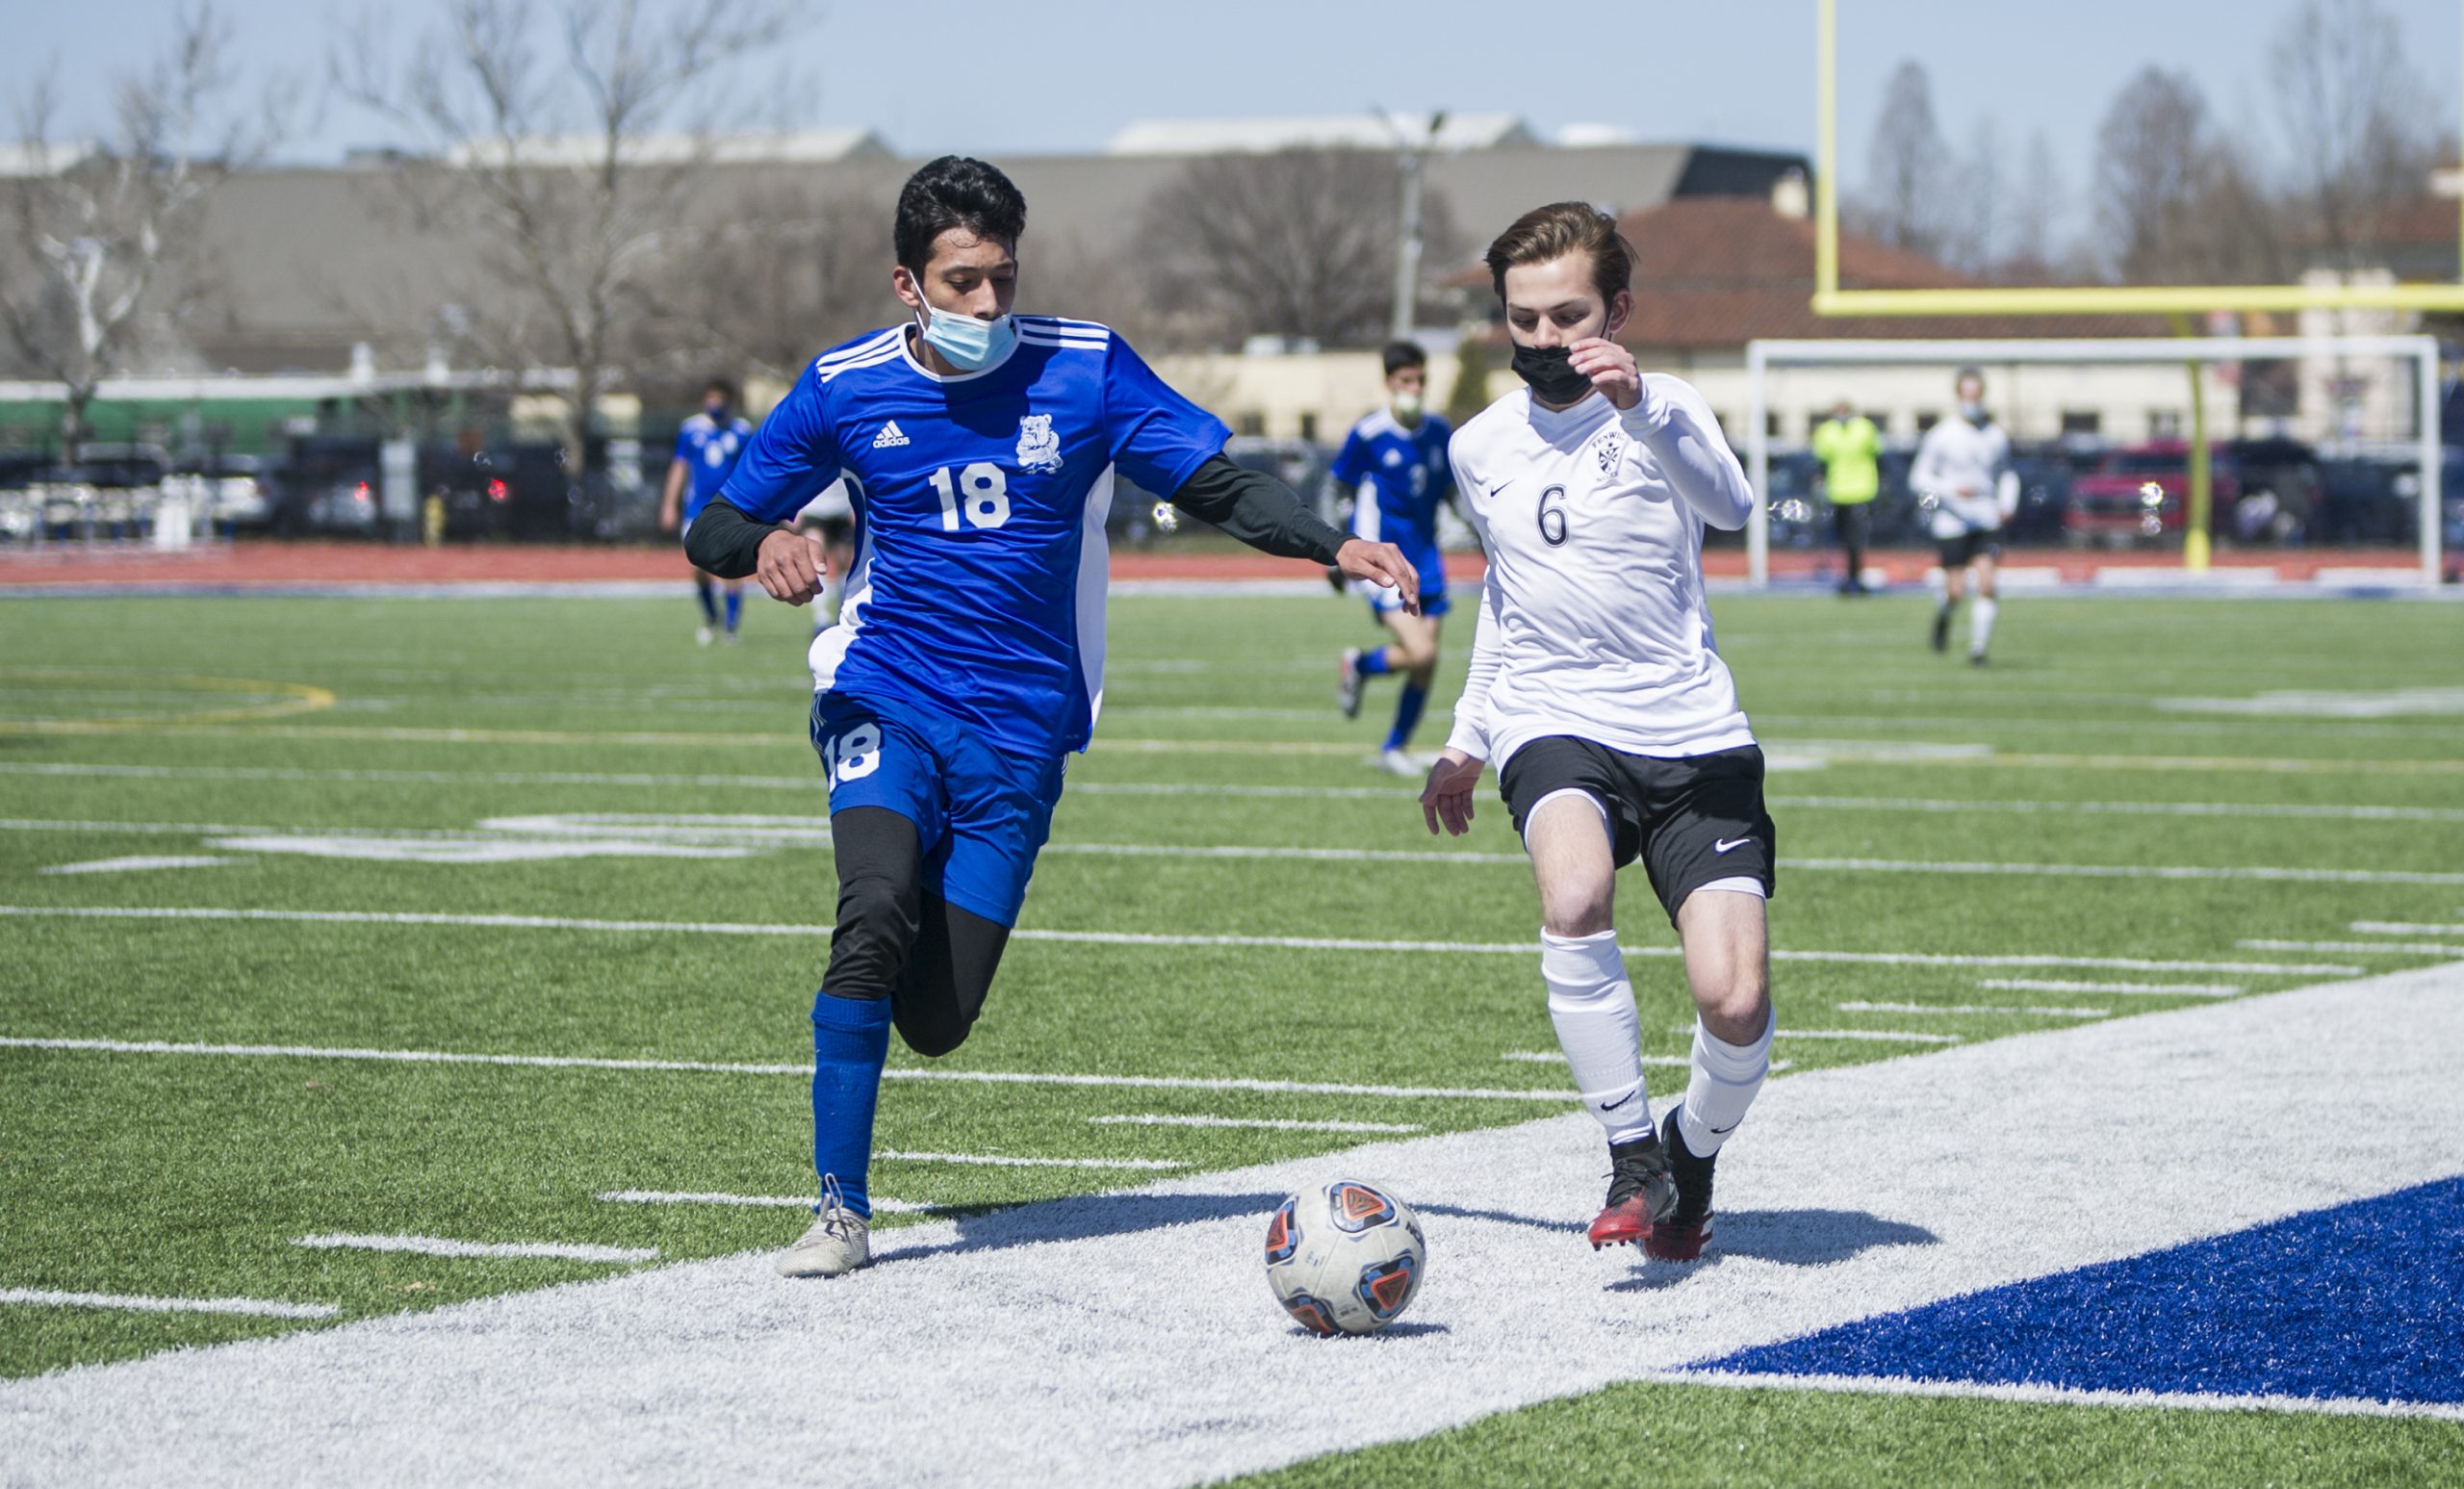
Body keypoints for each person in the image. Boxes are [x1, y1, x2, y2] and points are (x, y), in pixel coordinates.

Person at [682, 156, 1419, 1279]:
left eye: (1002, 278)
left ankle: (901, 947)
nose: (987, 305)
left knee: (933, 1018)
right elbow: (715, 525)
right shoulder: (844, 384)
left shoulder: (1086, 368)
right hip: (885, 686)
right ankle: (840, 1207)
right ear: (908, 285)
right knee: (871, 909)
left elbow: (1217, 484)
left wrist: (1335, 543)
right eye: (963, 281)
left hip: (1021, 735)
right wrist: (771, 541)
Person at [1419, 201, 1776, 1264]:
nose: (1541, 340)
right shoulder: (1476, 445)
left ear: (1615, 309)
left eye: (1565, 316)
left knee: (1736, 997)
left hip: (1692, 730)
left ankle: (1689, 1157)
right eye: (1520, 320)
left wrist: (1644, 414)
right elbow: (1503, 597)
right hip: (1554, 719)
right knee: (1572, 893)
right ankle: (1628, 1151)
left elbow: (1733, 505)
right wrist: (1466, 734)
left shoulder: (1669, 406)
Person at [1330, 342, 1456, 775]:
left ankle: (1394, 746)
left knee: (1427, 662)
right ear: (1389, 383)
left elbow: (1454, 495)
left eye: (1420, 379)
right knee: (1419, 652)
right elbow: (1338, 489)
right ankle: (1361, 665)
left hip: (1429, 562)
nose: (1414, 388)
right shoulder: (1369, 435)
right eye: (1405, 381)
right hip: (1384, 563)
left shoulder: (1440, 434)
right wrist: (1334, 548)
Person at [1911, 367, 2016, 665]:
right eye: (1967, 394)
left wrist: (2007, 503)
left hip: (1985, 518)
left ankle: (1978, 649)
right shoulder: (1942, 435)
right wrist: (1952, 489)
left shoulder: (1995, 435)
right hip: (1952, 520)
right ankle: (1943, 617)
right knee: (1955, 590)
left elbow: (2006, 473)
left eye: (1977, 394)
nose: (1973, 400)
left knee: (1987, 583)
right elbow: (1918, 477)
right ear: (1958, 396)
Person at [659, 377, 756, 645]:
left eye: (720, 399)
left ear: (729, 401)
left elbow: (751, 470)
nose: (715, 403)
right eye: (710, 398)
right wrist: (669, 504)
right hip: (696, 509)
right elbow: (679, 468)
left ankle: (732, 625)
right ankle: (712, 616)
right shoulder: (691, 429)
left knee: (730, 569)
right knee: (698, 567)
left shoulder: (741, 431)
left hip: (731, 508)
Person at [1810, 398, 1882, 595]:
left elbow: (1878, 455)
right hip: (1837, 492)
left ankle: (1854, 578)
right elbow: (1821, 462)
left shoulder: (1865, 429)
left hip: (1862, 491)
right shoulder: (1826, 431)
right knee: (1843, 540)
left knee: (1856, 540)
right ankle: (1848, 577)